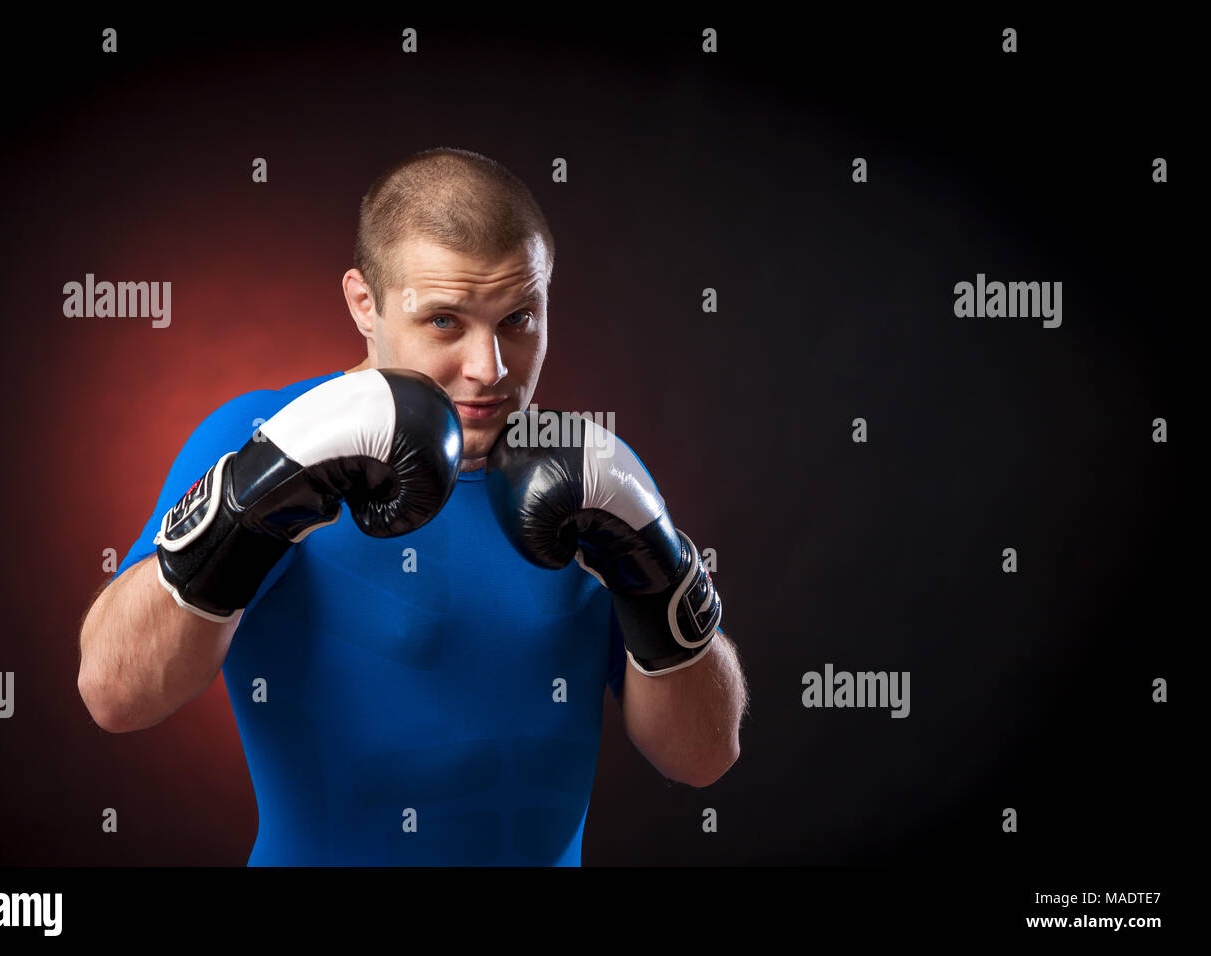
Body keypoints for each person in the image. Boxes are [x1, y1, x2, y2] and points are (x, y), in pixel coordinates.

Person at [77, 147, 748, 865]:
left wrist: (663, 576)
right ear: (364, 303)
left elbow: (704, 757)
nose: (489, 368)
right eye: (445, 322)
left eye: (518, 318)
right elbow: (115, 695)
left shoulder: (594, 476)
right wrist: (251, 498)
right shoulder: (261, 436)